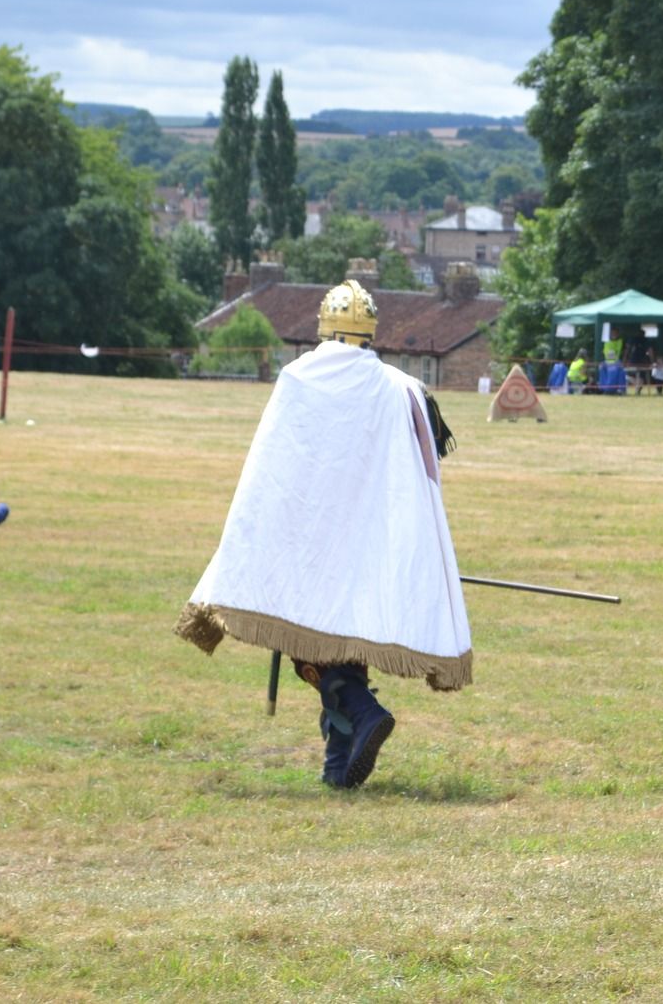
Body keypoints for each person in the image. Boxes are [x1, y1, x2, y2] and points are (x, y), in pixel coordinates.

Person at [177, 277, 471, 790]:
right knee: (342, 636)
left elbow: (276, 471)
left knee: (310, 641)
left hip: (310, 541)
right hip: (370, 543)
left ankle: (361, 711)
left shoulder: (299, 377)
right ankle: (340, 766)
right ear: (368, 333)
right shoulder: (401, 388)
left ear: (323, 329)